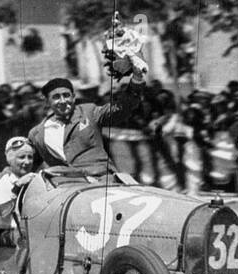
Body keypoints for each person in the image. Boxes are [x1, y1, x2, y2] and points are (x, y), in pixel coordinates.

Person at [25, 25, 147, 175]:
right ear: (47, 102)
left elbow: (121, 108)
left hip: (99, 181)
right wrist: (0, 179)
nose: (63, 101)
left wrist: (137, 78)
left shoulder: (89, 112)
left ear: (74, 97)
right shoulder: (37, 134)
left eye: (66, 95)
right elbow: (24, 162)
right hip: (66, 189)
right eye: (56, 97)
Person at [0, 137, 36, 231]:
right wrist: (17, 187)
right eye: (21, 157)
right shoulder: (2, 185)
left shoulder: (36, 181)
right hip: (14, 235)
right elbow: (3, 218)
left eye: (30, 157)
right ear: (10, 159)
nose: (27, 162)